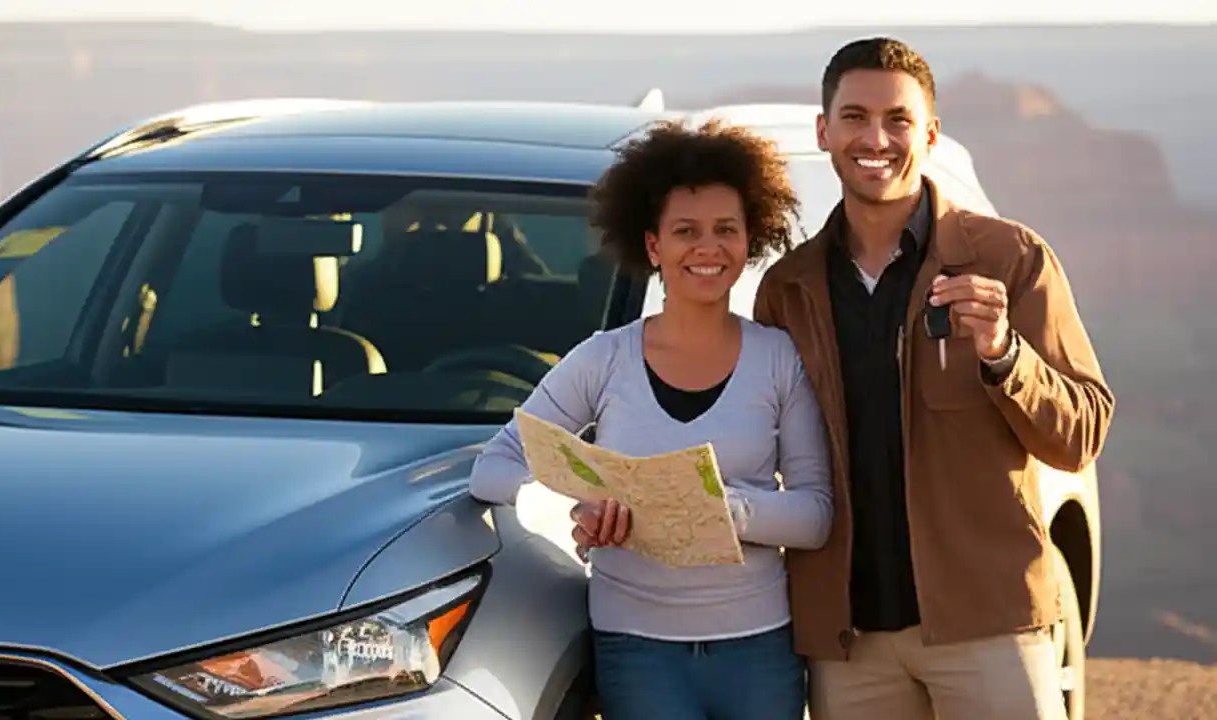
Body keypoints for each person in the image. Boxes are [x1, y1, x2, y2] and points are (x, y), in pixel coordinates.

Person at [745, 37, 1115, 720]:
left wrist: (1005, 353)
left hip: (991, 626)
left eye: (898, 120)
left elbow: (1081, 432)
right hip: (848, 642)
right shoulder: (788, 290)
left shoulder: (1013, 258)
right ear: (823, 131)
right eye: (854, 117)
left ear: (931, 134)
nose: (875, 139)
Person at [468, 118, 833, 720]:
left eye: (726, 230)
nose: (708, 249)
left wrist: (722, 509)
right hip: (637, 649)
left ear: (751, 239)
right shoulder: (603, 359)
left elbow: (816, 514)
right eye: (685, 231)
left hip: (760, 648)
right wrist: (574, 512)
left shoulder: (778, 358)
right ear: (654, 246)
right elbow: (495, 466)